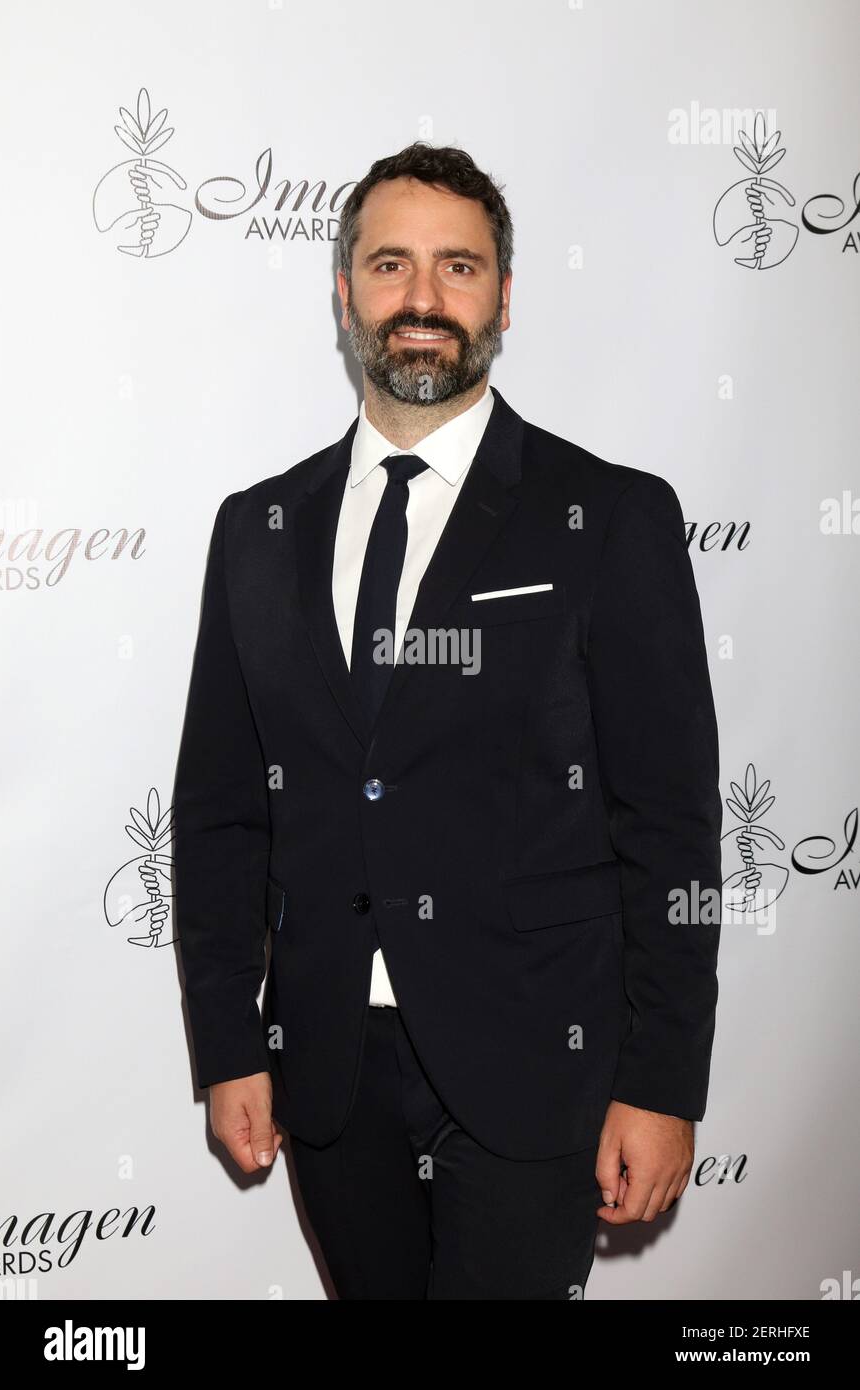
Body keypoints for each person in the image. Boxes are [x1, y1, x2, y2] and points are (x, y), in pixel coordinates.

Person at [172, 141, 722, 1300]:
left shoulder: (608, 519)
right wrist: (228, 1041)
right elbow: (219, 814)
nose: (422, 300)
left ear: (503, 297)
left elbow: (669, 827)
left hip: (535, 1061)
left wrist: (662, 1081)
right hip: (326, 1068)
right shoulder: (255, 531)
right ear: (344, 292)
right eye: (390, 264)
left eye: (457, 268)